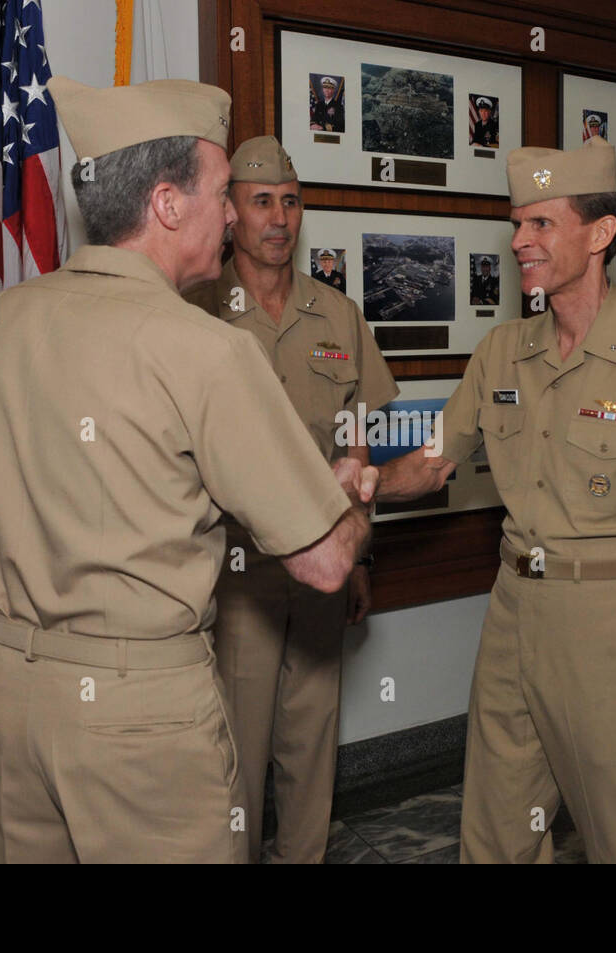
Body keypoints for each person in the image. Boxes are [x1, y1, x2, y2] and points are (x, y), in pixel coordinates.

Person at [0, 78, 377, 864]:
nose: (233, 214)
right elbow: (324, 562)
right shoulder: (205, 350)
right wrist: (353, 497)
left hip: (9, 706)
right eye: (224, 193)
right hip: (141, 720)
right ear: (166, 203)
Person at [375, 136, 616, 863]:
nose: (519, 241)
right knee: (494, 837)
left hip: (607, 625)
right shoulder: (501, 351)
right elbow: (431, 463)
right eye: (517, 224)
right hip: (513, 607)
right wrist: (355, 488)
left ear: (600, 232)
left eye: (541, 223)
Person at [185, 136, 399, 863]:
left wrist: (358, 552)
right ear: (229, 214)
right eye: (260, 202)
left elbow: (358, 441)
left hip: (323, 564)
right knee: (235, 756)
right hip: (235, 572)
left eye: (290, 200)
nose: (279, 217)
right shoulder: (196, 311)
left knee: (311, 743)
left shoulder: (338, 316)